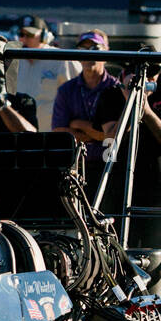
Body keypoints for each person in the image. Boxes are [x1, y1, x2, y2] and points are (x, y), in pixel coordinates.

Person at [94, 55, 161, 262]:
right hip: (118, 189)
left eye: (153, 73)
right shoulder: (110, 96)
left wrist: (146, 111)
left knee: (156, 259)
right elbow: (110, 139)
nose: (148, 79)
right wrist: (131, 105)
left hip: (157, 190)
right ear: (124, 75)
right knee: (116, 258)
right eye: (140, 74)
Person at [52, 30, 120, 201]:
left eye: (95, 48)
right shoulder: (66, 90)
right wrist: (96, 135)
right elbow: (60, 132)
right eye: (83, 48)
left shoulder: (118, 90)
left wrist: (78, 124)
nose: (89, 54)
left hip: (110, 167)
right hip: (76, 167)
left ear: (106, 53)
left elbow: (110, 136)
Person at [7, 16, 80, 131]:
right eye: (21, 34)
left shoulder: (62, 60)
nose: (24, 40)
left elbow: (78, 98)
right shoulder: (13, 63)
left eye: (30, 35)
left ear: (44, 36)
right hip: (22, 136)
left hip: (54, 135)